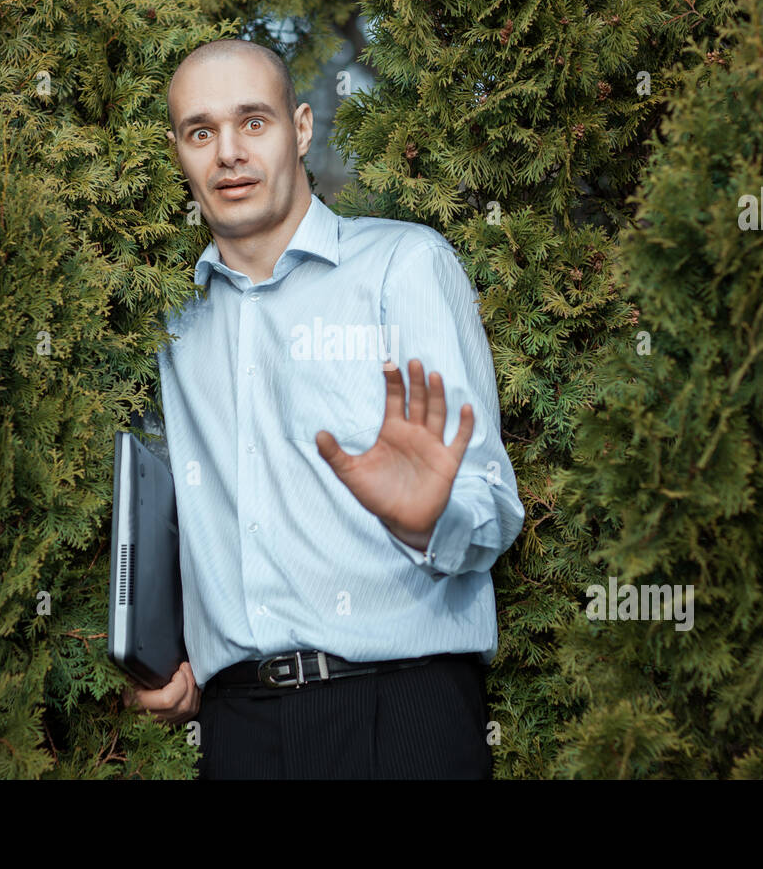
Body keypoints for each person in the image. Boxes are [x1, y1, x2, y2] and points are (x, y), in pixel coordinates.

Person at [121, 38, 525, 779]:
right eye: (201, 132)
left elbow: (492, 506)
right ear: (178, 152)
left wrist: (425, 519)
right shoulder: (169, 328)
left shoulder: (403, 266)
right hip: (238, 732)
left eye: (254, 121)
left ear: (301, 129)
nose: (229, 154)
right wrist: (167, 650)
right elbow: (171, 517)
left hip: (402, 716)